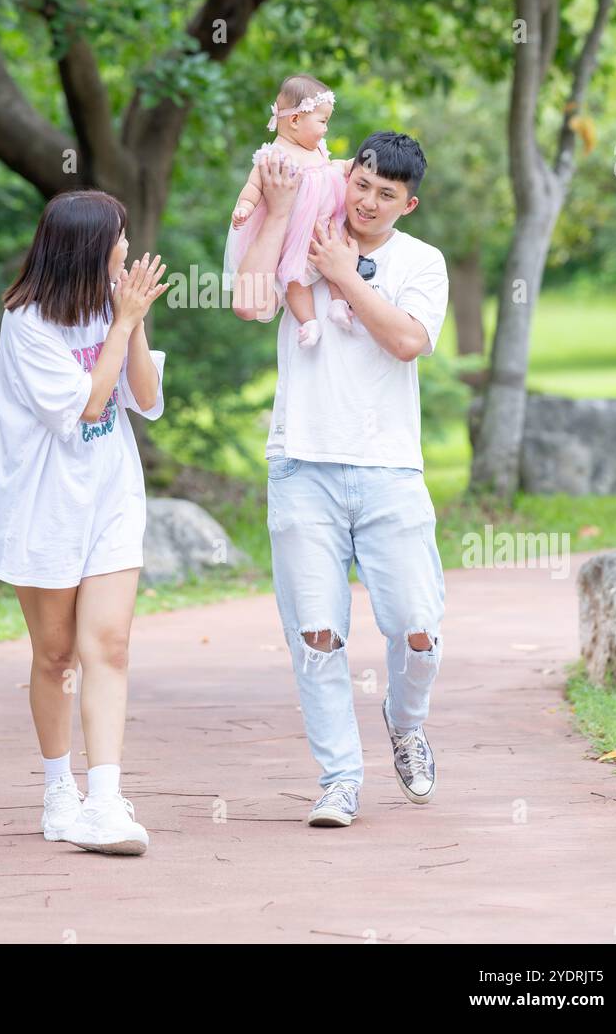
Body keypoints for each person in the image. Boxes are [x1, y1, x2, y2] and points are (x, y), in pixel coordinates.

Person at [228, 131, 449, 826]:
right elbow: (251, 302)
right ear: (347, 174)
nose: (368, 201)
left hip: (390, 469)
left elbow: (409, 341)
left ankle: (404, 722)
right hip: (302, 464)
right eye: (362, 183)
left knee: (418, 627)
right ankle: (340, 779)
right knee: (316, 633)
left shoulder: (423, 261)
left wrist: (345, 274)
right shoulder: (302, 223)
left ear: (407, 204)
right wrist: (283, 206)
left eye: (387, 195)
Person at [0, 190, 169, 856]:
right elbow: (88, 411)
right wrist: (120, 325)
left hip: (112, 499)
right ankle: (59, 788)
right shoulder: (28, 323)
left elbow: (143, 399)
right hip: (44, 511)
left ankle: (106, 799)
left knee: (110, 646)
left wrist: (134, 321)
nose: (127, 246)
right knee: (57, 656)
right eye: (119, 236)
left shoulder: (112, 308)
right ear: (90, 247)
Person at [224, 73, 355, 348]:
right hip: (296, 237)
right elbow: (252, 187)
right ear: (295, 120)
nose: (326, 129)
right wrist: (244, 208)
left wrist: (349, 165)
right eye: (322, 122)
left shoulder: (318, 148)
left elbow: (330, 169)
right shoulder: (274, 156)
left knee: (338, 259)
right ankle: (309, 322)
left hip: (323, 225)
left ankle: (339, 303)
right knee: (295, 280)